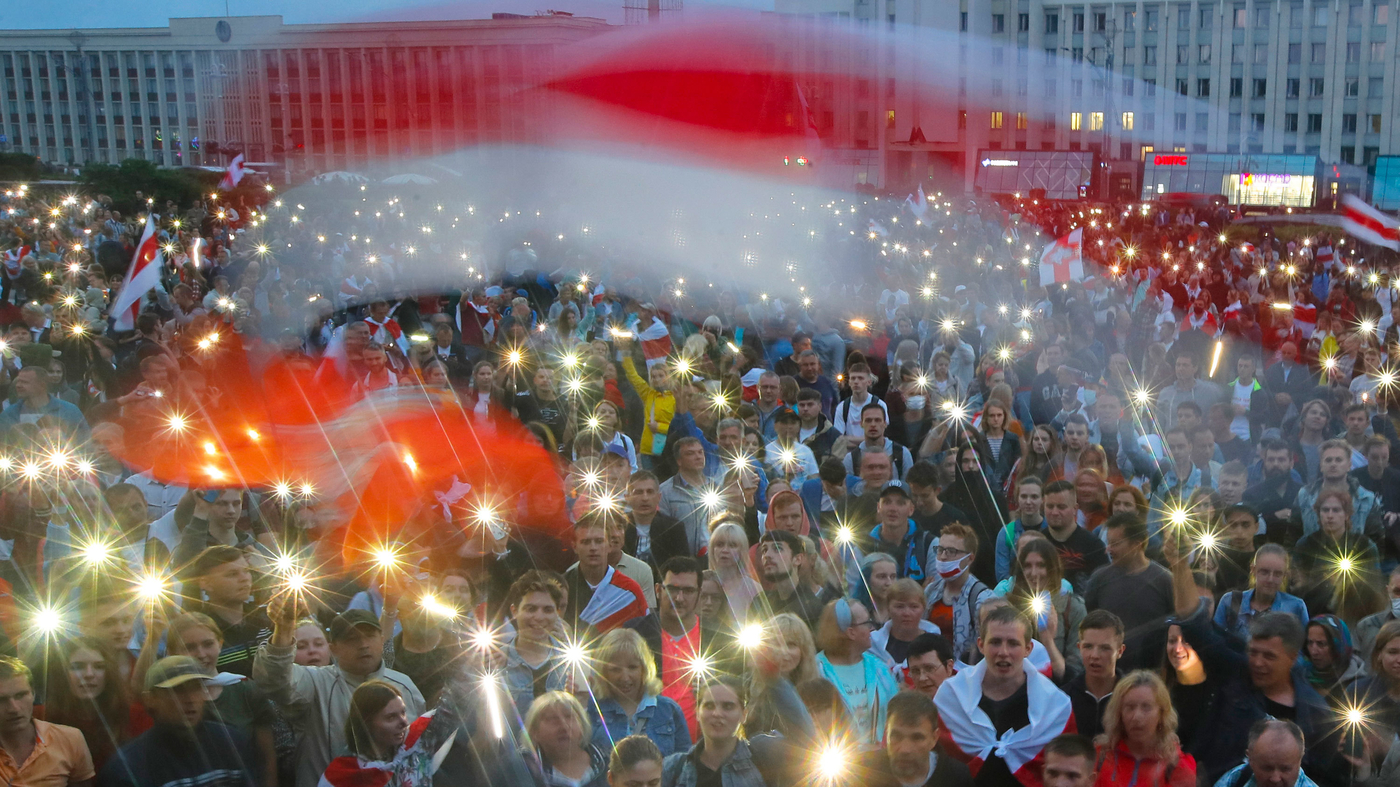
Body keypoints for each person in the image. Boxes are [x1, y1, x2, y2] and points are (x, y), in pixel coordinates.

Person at [1166, 532, 1341, 786]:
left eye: (1269, 656)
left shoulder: (1316, 713)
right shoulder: (1237, 673)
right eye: (1254, 652)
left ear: (1292, 657)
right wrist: (1180, 564)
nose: (1258, 662)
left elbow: (1325, 776)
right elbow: (1194, 624)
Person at [255, 599, 425, 787]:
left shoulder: (405, 685)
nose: (363, 644)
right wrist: (284, 628)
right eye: (352, 639)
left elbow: (421, 749)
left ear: (382, 639)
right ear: (333, 648)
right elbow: (274, 680)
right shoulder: (315, 682)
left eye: (370, 636)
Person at [934, 604, 1074, 787]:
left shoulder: (1055, 706)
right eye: (995, 642)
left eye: (1013, 643)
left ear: (1028, 649)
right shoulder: (950, 697)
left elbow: (1070, 770)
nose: (1003, 652)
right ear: (981, 645)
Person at [100, 656, 257, 787]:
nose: (190, 699)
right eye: (178, 690)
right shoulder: (128, 767)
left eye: (196, 687)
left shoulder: (233, 742)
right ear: (150, 699)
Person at [660, 675, 811, 787]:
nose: (717, 713)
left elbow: (807, 743)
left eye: (728, 706)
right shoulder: (673, 768)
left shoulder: (762, 756)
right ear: (697, 713)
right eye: (709, 706)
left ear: (744, 714)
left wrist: (774, 679)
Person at [320, 679, 461, 787]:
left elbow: (455, 706)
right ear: (365, 724)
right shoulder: (340, 776)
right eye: (391, 717)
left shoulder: (414, 749)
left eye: (403, 713)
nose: (404, 723)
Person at [40, 637, 147, 774]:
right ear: (61, 673)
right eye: (78, 667)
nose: (89, 674)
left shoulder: (133, 715)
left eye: (99, 667)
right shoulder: (41, 717)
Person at [1083, 514, 1173, 671]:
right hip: (1107, 672)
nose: (1108, 549)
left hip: (1150, 673)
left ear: (1137, 544)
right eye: (1108, 543)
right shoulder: (1099, 579)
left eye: (1115, 544)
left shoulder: (1164, 580)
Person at [586, 628, 691, 756]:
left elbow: (685, 762)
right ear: (603, 672)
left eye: (632, 667)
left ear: (644, 669)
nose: (625, 677)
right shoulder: (591, 709)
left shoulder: (669, 710)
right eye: (615, 669)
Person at [814, 598, 900, 747]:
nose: (872, 629)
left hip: (880, 757)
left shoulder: (879, 668)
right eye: (867, 623)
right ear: (851, 632)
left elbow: (897, 711)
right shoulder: (816, 671)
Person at [1092, 670, 1196, 787]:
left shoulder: (1176, 764)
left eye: (1146, 707)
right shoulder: (1100, 757)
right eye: (1130, 707)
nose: (1136, 717)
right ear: (1119, 713)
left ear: (1161, 714)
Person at [857, 690, 974, 787]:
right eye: (896, 736)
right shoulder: (862, 772)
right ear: (886, 732)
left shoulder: (957, 777)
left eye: (917, 738)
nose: (904, 749)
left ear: (934, 738)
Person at [564, 514, 650, 634]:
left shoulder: (630, 592)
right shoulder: (563, 587)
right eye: (586, 542)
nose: (593, 548)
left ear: (610, 545)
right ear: (574, 547)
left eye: (599, 541)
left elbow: (645, 636)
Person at [922, 524, 993, 665]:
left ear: (970, 558)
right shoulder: (930, 591)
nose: (943, 557)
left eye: (951, 551)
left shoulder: (983, 599)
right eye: (940, 550)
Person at [1213, 545, 1309, 640]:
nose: (1270, 579)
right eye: (1264, 572)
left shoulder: (1296, 607)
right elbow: (1215, 642)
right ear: (1253, 570)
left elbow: (1305, 646)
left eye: (1277, 574)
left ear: (1285, 575)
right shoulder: (1230, 601)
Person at [1063, 610, 1125, 741]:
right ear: (1079, 648)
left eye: (1105, 648)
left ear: (1120, 651)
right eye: (1088, 647)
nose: (1095, 655)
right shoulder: (1064, 699)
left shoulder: (1131, 698)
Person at [525, 691, 610, 787]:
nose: (564, 726)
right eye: (552, 719)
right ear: (534, 732)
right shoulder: (521, 770)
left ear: (582, 725)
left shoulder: (608, 762)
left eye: (569, 716)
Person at [1040, 481, 1108, 594]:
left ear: (1075, 509)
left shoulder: (1093, 545)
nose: (1055, 512)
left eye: (1061, 507)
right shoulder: (1037, 543)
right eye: (1050, 506)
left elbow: (1103, 586)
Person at [1212, 720, 1321, 787]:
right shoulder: (1235, 779)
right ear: (1250, 759)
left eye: (1285, 769)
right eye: (1267, 768)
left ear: (1299, 760)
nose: (1275, 779)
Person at [748, 531, 823, 627]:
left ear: (797, 559)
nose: (767, 555)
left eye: (777, 549)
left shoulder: (813, 609)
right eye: (764, 550)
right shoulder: (760, 603)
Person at [903, 633, 955, 698]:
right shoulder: (905, 702)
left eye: (929, 668)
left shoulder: (966, 698)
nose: (922, 678)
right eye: (915, 671)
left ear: (949, 667)